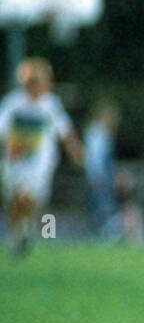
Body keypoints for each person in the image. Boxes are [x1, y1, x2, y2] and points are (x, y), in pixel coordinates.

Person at [0, 58, 84, 258]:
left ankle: (25, 231)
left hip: (39, 164)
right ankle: (19, 234)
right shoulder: (13, 103)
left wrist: (76, 152)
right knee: (15, 201)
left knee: (28, 198)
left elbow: (65, 132)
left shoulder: (51, 105)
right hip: (14, 162)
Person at [84, 102, 121, 239]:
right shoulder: (96, 133)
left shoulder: (104, 133)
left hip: (104, 175)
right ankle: (99, 234)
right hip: (99, 175)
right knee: (100, 205)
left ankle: (103, 233)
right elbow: (94, 157)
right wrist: (94, 175)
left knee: (104, 203)